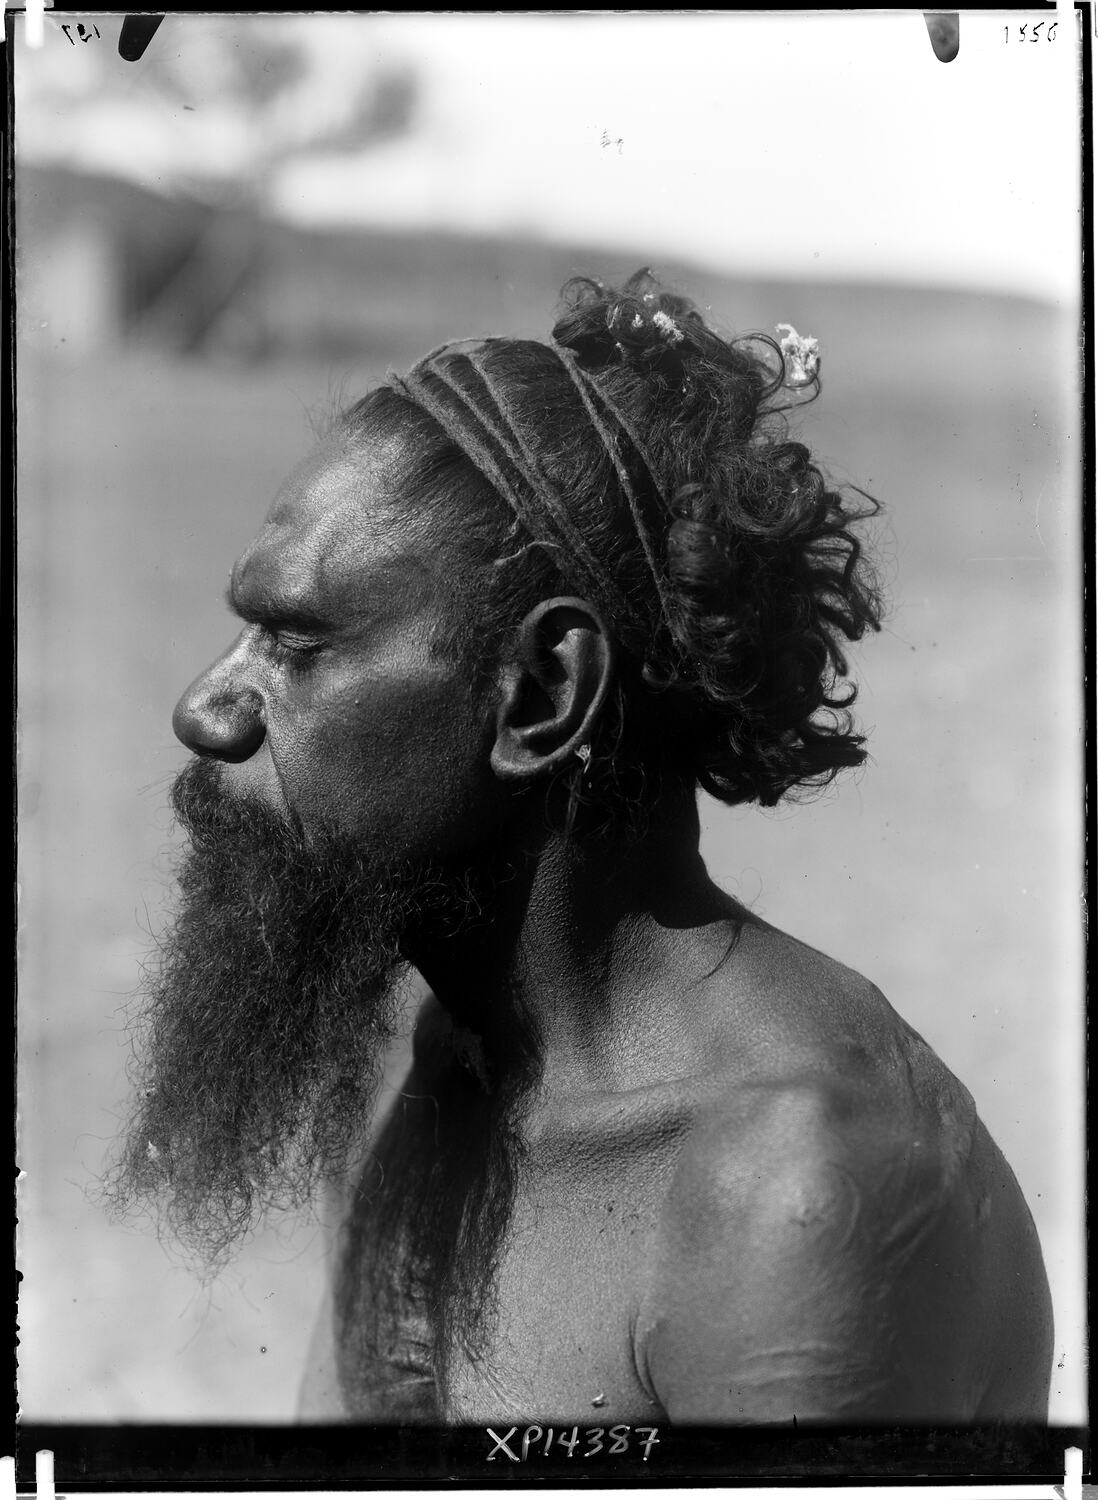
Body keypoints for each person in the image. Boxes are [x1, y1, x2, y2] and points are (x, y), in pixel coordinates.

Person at [110, 271, 1053, 1426]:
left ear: (543, 696)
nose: (208, 709)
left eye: (295, 645)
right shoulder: (448, 1054)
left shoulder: (793, 1194)